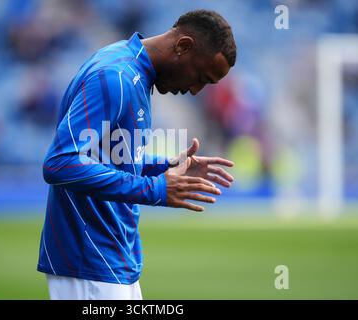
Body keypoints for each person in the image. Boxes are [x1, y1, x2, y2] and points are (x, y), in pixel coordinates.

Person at [38, 9, 237, 300]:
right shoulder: (114, 77)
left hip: (114, 258)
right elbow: (60, 164)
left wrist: (162, 168)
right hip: (90, 261)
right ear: (183, 47)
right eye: (200, 77)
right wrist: (155, 189)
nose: (196, 90)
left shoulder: (131, 70)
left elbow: (105, 158)